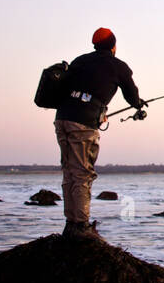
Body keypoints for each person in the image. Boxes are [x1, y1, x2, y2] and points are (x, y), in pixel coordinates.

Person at [54, 27, 145, 237]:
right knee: (82, 173)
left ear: (95, 45)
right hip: (83, 125)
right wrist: (139, 104)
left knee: (70, 172)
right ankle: (80, 225)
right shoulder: (118, 66)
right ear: (113, 46)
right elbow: (132, 97)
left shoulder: (80, 61)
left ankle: (72, 223)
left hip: (62, 119)